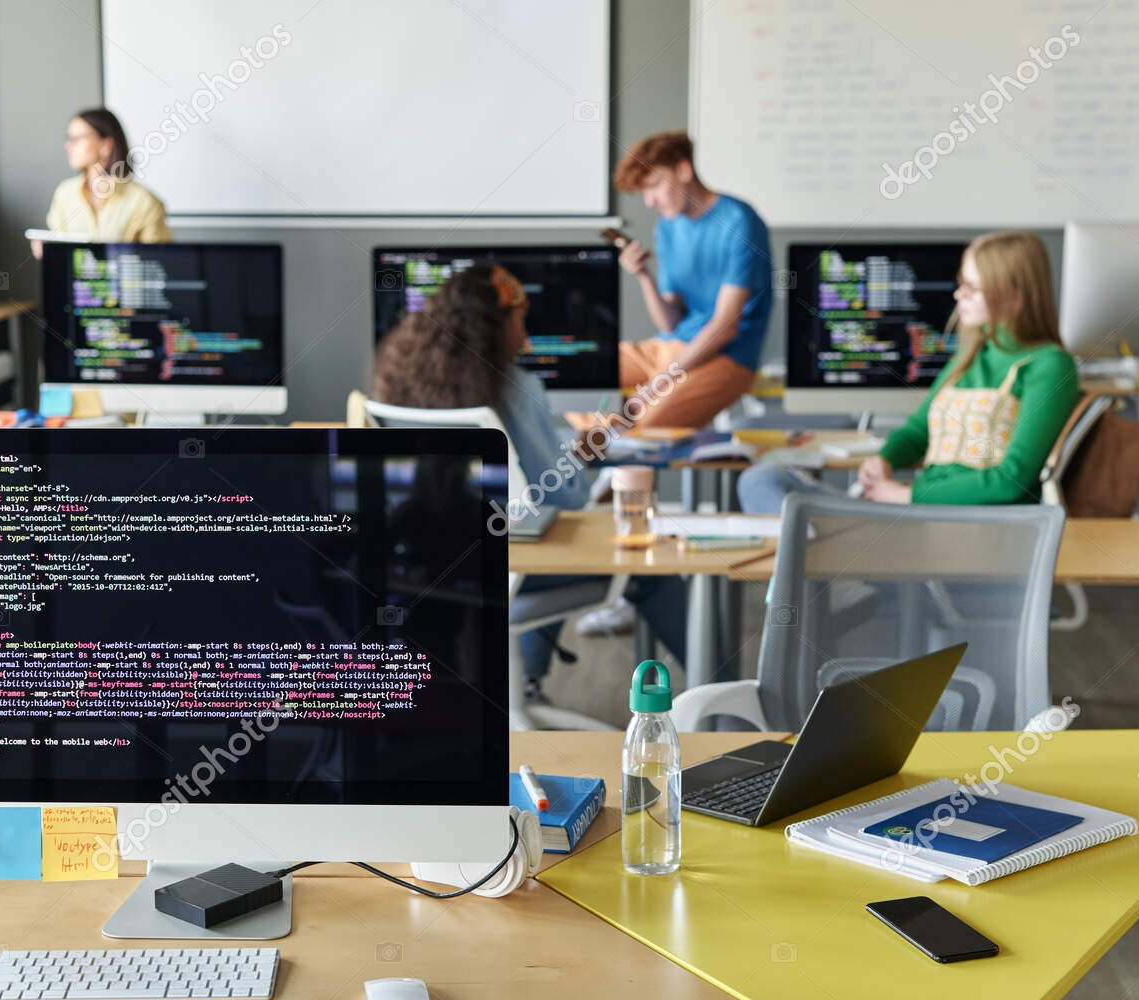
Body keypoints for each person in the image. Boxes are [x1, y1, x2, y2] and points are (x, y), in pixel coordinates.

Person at [372, 265, 688, 700]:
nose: (524, 335)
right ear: (497, 325)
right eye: (520, 319)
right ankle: (722, 693)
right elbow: (563, 497)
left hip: (423, 565)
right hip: (506, 567)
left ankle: (528, 685)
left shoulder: (398, 383)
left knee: (544, 536)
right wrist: (580, 458)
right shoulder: (514, 387)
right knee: (647, 569)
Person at [737, 230, 1080, 512]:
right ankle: (828, 562)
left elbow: (1012, 480)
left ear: (1015, 296)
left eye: (973, 288)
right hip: (919, 511)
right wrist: (884, 460)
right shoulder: (973, 355)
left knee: (789, 511)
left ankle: (826, 561)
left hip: (967, 522)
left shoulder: (1050, 365)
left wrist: (906, 496)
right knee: (763, 479)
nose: (958, 295)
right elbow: (917, 432)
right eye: (961, 283)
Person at [603, 131, 774, 430]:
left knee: (643, 423)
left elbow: (725, 327)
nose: (649, 201)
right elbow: (670, 323)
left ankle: (615, 439)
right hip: (670, 347)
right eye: (644, 192)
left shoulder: (739, 221)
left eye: (654, 186)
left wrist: (658, 383)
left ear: (683, 170)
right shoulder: (666, 228)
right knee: (577, 371)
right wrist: (643, 274)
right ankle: (610, 438)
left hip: (725, 357)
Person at [34, 108, 172, 256]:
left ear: (106, 145)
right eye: (68, 138)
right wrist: (48, 252)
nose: (67, 146)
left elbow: (158, 261)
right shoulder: (64, 193)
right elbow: (61, 254)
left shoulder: (144, 201)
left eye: (76, 139)